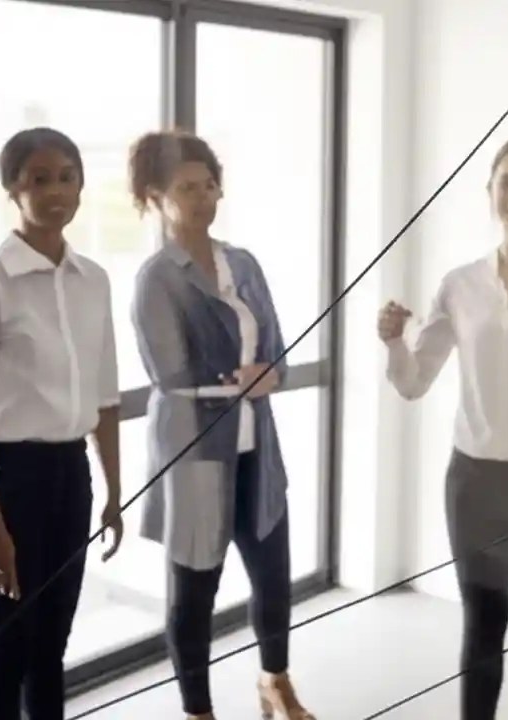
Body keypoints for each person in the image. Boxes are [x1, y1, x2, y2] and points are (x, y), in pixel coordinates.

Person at [378, 135, 508, 720]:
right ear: (491, 192)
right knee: (482, 634)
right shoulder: (460, 284)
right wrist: (394, 343)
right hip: (474, 483)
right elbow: (413, 381)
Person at [128, 129, 313, 720]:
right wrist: (243, 377)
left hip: (258, 445)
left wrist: (270, 374)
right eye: (187, 188)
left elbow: (277, 351)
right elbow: (169, 370)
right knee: (194, 591)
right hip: (195, 448)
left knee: (273, 574)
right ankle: (197, 711)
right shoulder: (157, 277)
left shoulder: (244, 263)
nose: (203, 198)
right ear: (156, 198)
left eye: (209, 185)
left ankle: (274, 683)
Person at [0, 127, 124, 720]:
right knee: (3, 647)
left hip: (70, 475)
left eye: (67, 177)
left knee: (51, 646)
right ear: (12, 190)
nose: (56, 192)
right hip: (4, 480)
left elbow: (105, 400)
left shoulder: (93, 280)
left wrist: (114, 492)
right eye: (39, 179)